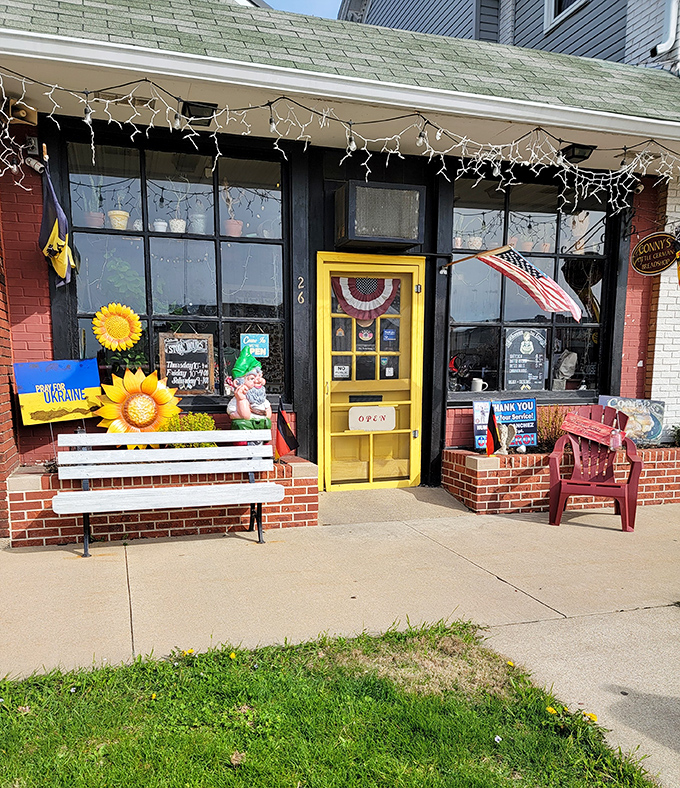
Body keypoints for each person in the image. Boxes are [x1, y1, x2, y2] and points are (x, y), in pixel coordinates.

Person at [227, 346, 272, 431]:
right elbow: (245, 416)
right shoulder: (237, 400)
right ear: (238, 383)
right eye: (252, 378)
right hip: (246, 425)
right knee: (241, 424)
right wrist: (241, 399)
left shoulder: (262, 399)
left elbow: (268, 414)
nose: (258, 381)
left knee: (267, 423)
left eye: (260, 377)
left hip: (261, 424)